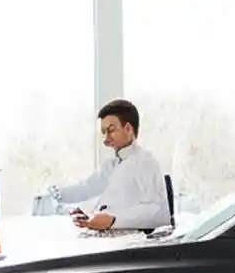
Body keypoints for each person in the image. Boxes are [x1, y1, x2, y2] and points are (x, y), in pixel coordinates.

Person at [49, 98, 171, 232]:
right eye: (103, 133)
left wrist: (113, 220)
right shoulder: (110, 165)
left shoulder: (146, 162)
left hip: (132, 244)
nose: (105, 139)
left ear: (128, 128)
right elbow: (87, 188)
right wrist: (58, 195)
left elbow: (159, 213)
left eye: (111, 130)